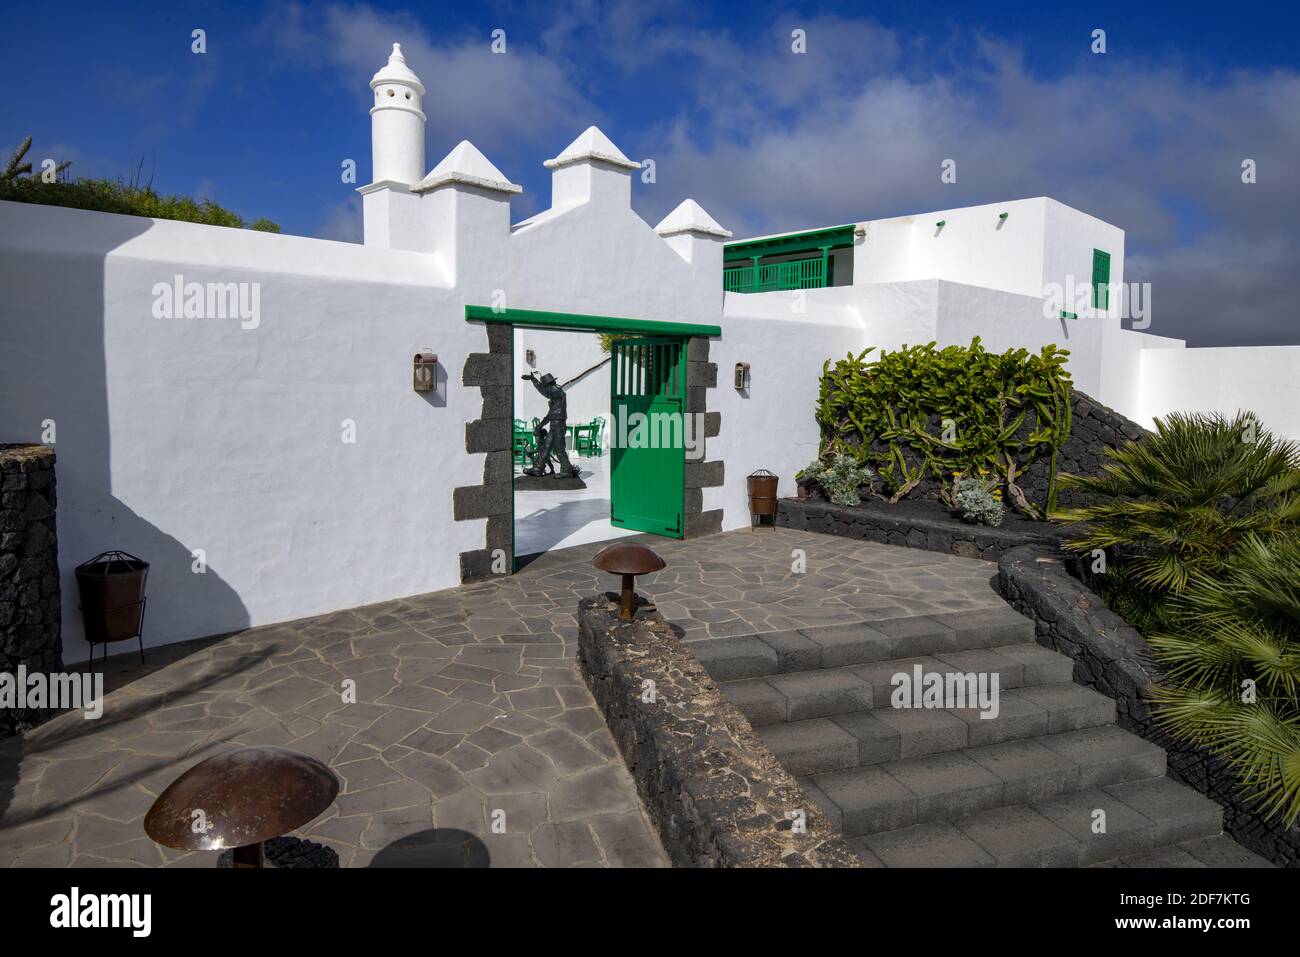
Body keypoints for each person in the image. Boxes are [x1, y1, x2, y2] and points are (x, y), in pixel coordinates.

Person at [521, 372, 579, 478]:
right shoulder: (555, 395)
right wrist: (541, 425)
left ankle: (567, 470)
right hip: (555, 424)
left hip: (558, 425)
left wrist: (534, 380)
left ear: (549, 385)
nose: (545, 388)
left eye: (545, 386)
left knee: (559, 449)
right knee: (546, 447)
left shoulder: (556, 391)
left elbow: (545, 393)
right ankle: (537, 469)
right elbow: (551, 413)